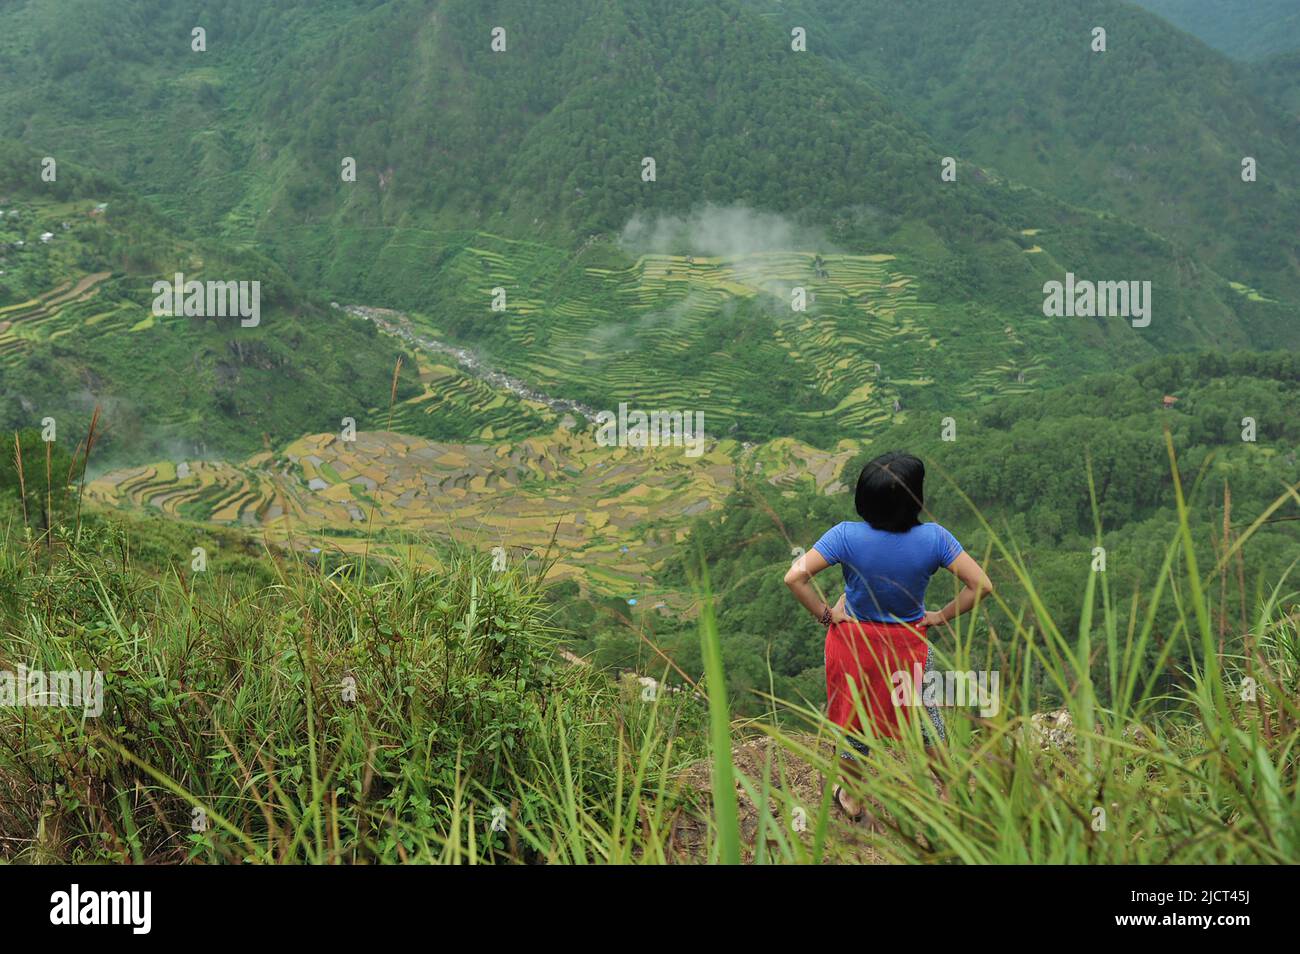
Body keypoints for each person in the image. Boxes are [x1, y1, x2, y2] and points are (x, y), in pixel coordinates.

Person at [783, 451, 993, 819]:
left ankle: (852, 799)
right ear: (915, 500)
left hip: (855, 645)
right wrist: (941, 616)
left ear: (864, 499)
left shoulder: (845, 536)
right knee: (927, 719)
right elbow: (981, 586)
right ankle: (949, 792)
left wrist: (827, 615)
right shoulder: (935, 539)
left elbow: (794, 577)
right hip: (907, 645)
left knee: (853, 722)